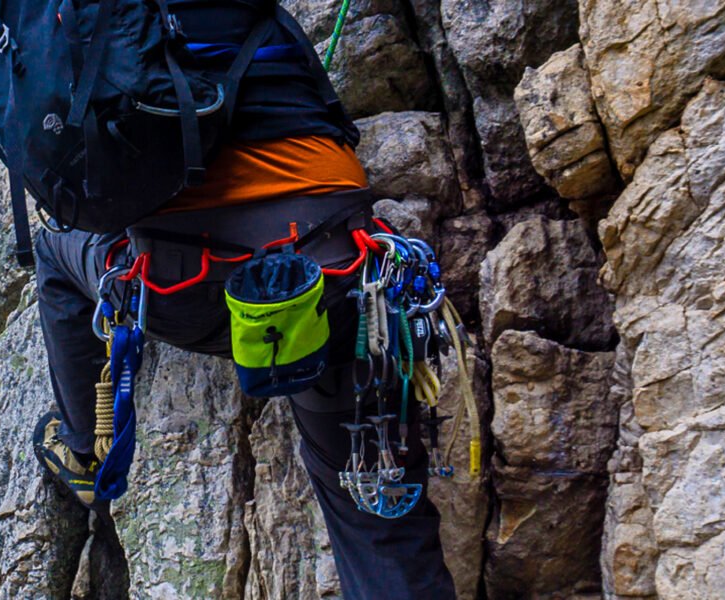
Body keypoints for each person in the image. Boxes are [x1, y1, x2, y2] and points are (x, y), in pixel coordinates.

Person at [22, 18, 457, 600]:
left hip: (183, 284)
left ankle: (82, 448)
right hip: (331, 272)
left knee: (54, 246)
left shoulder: (102, 25)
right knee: (378, 521)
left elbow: (84, 183)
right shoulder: (266, 18)